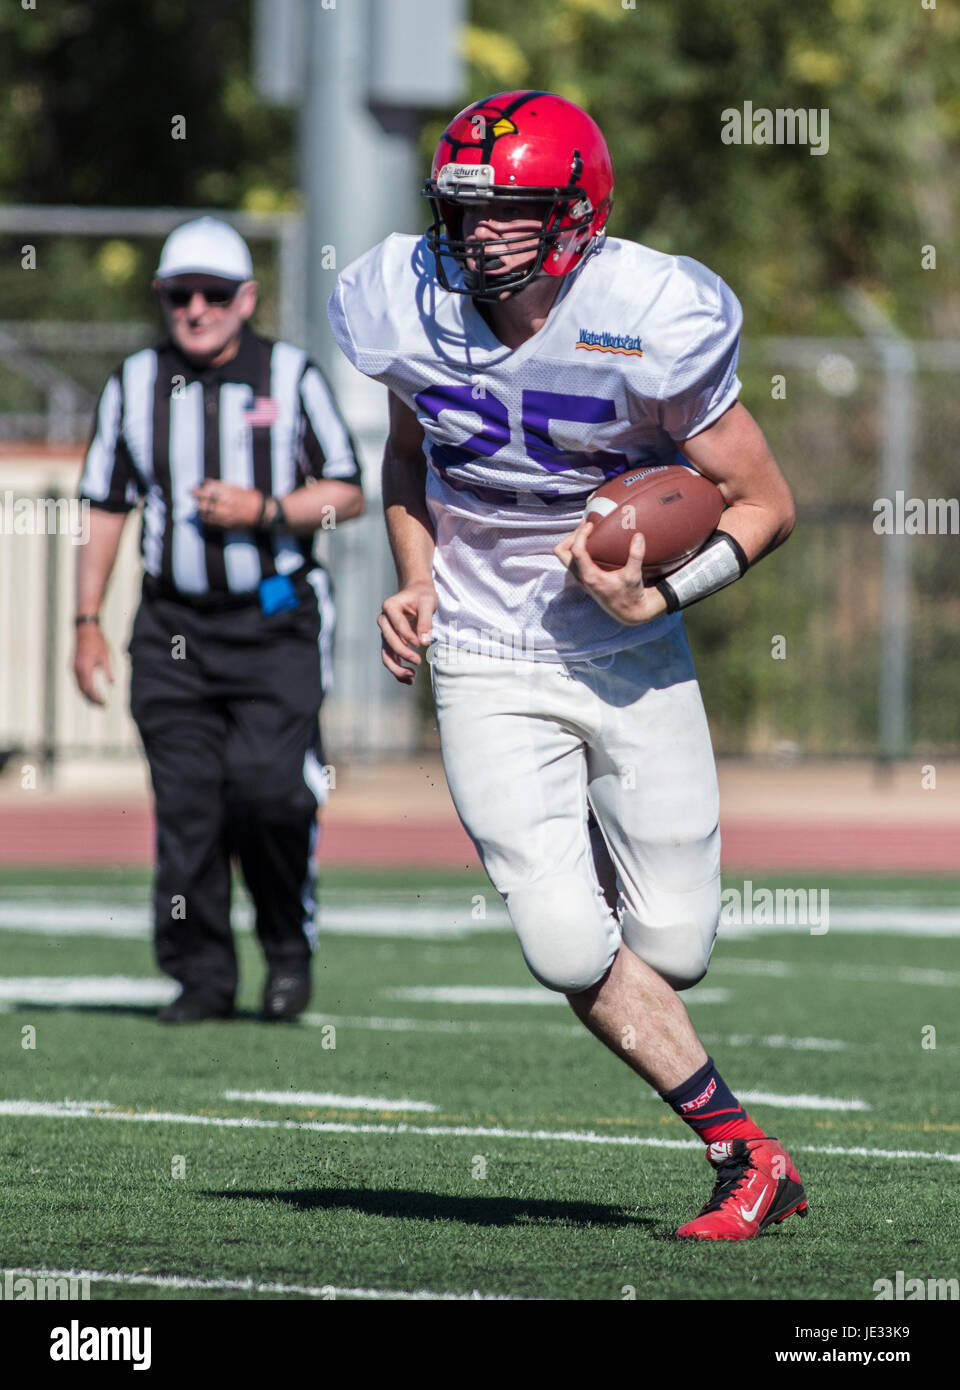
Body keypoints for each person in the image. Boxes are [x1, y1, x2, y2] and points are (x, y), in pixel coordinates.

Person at [329, 91, 807, 1239]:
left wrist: (662, 588)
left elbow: (766, 503)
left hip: (627, 644)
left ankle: (584, 833)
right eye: (463, 210)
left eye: (510, 212)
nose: (478, 234)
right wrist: (416, 576)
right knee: (563, 941)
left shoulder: (649, 313)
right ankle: (746, 1154)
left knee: (674, 947)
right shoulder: (404, 303)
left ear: (576, 215)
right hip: (488, 651)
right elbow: (410, 460)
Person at [74, 216, 363, 1024]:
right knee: (189, 803)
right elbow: (103, 503)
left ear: (248, 299)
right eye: (179, 295)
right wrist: (85, 619)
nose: (195, 310)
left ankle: (286, 948)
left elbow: (349, 490)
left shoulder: (292, 376)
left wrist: (265, 509)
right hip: (174, 630)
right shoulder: (133, 382)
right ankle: (199, 975)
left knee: (270, 792)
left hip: (275, 622)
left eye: (212, 294)